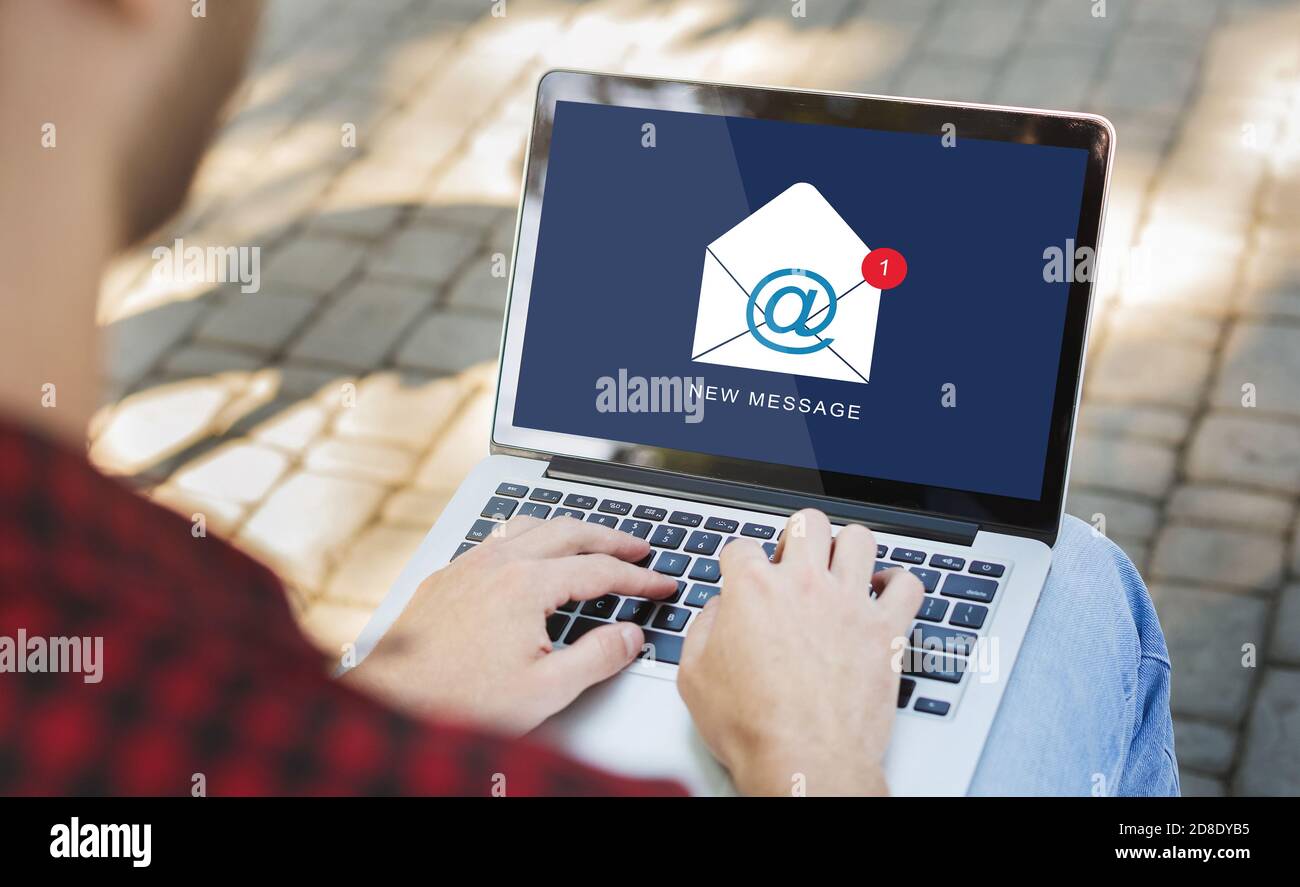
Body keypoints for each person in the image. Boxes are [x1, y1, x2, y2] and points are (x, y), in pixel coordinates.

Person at [0, 0, 1178, 796]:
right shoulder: (134, 647)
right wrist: (805, 744)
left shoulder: (157, 637)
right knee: (1075, 576)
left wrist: (381, 692)